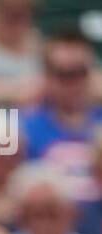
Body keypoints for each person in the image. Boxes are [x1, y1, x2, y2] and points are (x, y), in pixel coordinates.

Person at [21, 32, 102, 200]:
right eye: (64, 74)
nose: (74, 83)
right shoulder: (24, 130)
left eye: (80, 72)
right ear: (47, 77)